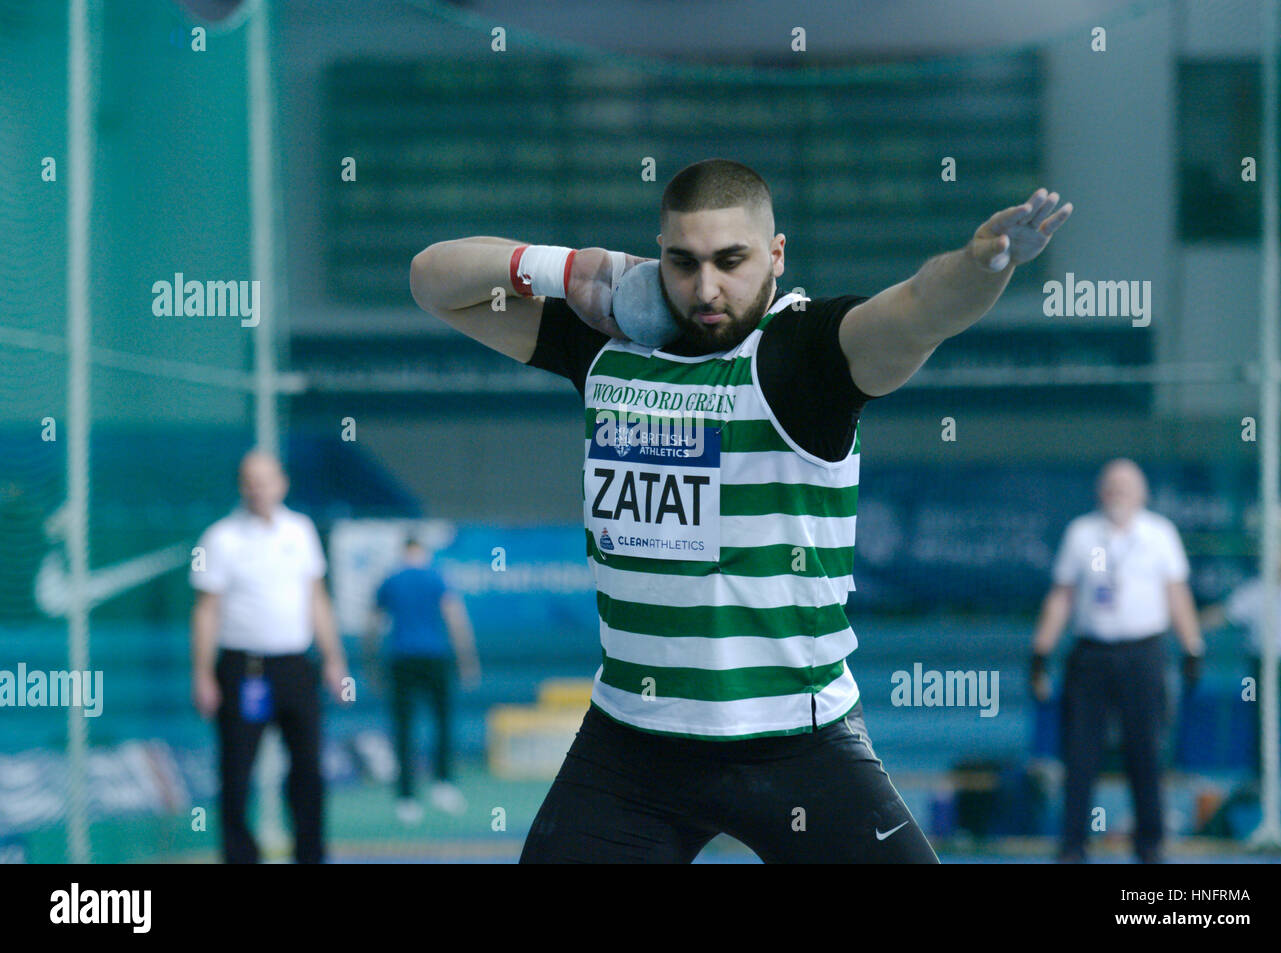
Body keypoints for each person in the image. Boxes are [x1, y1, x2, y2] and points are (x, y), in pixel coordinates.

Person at [410, 158, 1072, 863]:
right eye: (682, 262)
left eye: (731, 261)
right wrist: (565, 266)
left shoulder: (808, 353)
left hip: (797, 741)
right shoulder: (606, 340)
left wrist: (982, 263)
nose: (706, 289)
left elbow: (919, 309)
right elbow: (432, 279)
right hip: (631, 741)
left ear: (777, 254)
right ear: (654, 256)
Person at [1030, 458, 1205, 864]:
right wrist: (1040, 651)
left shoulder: (1160, 534)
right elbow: (1062, 596)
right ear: (1099, 491)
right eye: (1111, 485)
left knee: (1145, 753)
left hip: (1144, 655)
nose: (1117, 492)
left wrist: (1192, 645)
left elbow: (1176, 592)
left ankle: (1150, 846)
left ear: (1142, 493)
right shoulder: (1081, 533)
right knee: (1080, 754)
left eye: (1126, 485)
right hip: (1091, 655)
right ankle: (1073, 846)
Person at [189, 450, 350, 863]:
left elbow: (317, 598)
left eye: (265, 479)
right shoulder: (220, 538)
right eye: (249, 480)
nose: (258, 488)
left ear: (282, 483)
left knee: (308, 771)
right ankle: (242, 856)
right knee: (237, 773)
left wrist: (334, 659)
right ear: (241, 485)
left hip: (295, 667)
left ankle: (310, 854)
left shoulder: (300, 531)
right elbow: (207, 609)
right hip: (243, 669)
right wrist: (203, 674)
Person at [367, 535, 480, 823]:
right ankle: (443, 784)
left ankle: (406, 798)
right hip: (435, 657)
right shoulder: (437, 578)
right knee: (442, 721)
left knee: (404, 728)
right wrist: (467, 661)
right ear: (423, 552)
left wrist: (372, 666)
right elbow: (456, 619)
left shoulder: (390, 580)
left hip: (401, 659)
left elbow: (372, 626)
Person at [1199, 503, 1281, 778]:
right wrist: (1188, 625)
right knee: (1261, 722)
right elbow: (1223, 614)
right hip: (1260, 664)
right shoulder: (1253, 591)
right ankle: (1261, 778)